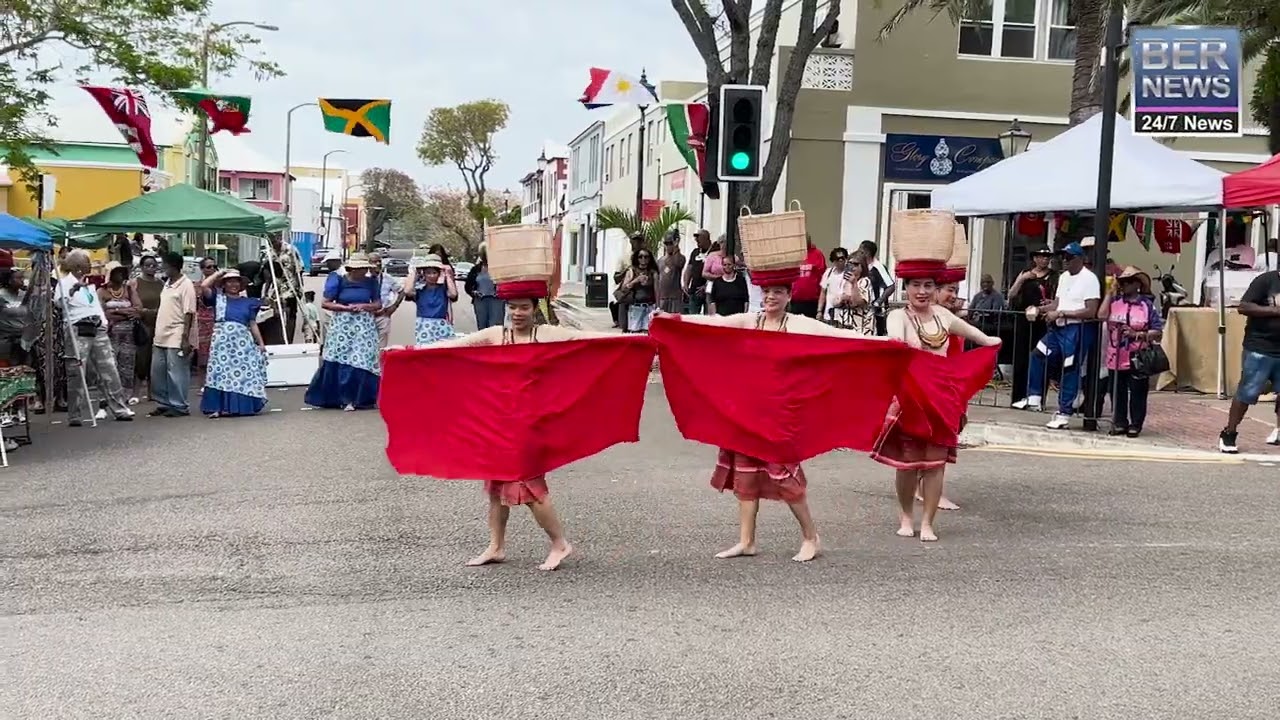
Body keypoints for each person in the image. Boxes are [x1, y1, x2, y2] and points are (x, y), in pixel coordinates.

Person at [654, 273, 888, 562]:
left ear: (789, 295)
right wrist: (673, 320)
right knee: (745, 476)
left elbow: (838, 336)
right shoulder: (750, 321)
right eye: (767, 292)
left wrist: (882, 341)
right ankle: (746, 541)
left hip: (781, 412)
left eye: (778, 292)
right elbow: (713, 323)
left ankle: (811, 537)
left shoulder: (799, 324)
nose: (771, 297)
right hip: (746, 410)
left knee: (785, 475)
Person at [421, 288, 620, 571]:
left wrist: (633, 337)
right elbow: (453, 347)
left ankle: (560, 544)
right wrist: (406, 352)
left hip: (531, 423)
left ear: (534, 308)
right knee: (496, 486)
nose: (517, 313)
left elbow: (587, 339)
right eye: (512, 307)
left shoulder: (546, 334)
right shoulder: (495, 335)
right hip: (499, 420)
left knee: (528, 485)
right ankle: (496, 546)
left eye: (523, 307)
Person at [873, 273, 1000, 543]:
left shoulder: (944, 315)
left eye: (928, 285)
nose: (922, 291)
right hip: (911, 400)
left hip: (940, 400)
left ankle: (928, 522)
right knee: (907, 465)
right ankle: (906, 515)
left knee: (935, 465)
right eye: (916, 285)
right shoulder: (898, 317)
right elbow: (897, 342)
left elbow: (979, 337)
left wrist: (991, 342)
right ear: (906, 288)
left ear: (935, 288)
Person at [1012, 242, 1100, 431]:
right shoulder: (1064, 277)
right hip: (1059, 328)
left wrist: (1061, 314)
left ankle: (1064, 412)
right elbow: (1057, 304)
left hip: (1077, 329)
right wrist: (1039, 308)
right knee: (1038, 354)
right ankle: (1034, 396)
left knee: (1069, 368)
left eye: (1069, 258)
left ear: (1079, 259)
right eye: (1063, 258)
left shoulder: (1089, 279)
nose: (1065, 261)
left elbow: (1091, 311)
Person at [54, 250, 135, 426]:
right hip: (77, 328)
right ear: (77, 266)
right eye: (86, 264)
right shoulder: (64, 283)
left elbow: (95, 305)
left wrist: (103, 322)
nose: (90, 267)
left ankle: (119, 409)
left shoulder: (89, 284)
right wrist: (73, 290)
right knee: (76, 371)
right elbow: (60, 303)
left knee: (109, 368)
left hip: (97, 327)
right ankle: (74, 414)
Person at [305, 254, 382, 411]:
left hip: (363, 323)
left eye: (364, 269)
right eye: (358, 269)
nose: (362, 272)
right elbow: (325, 303)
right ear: (351, 269)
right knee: (341, 357)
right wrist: (345, 308)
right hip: (342, 323)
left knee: (363, 358)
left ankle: (361, 398)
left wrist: (364, 306)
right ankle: (340, 397)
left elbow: (377, 303)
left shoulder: (371, 282)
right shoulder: (338, 279)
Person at [1097, 267, 1163, 438]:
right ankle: (1119, 422)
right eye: (1122, 282)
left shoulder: (1146, 305)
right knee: (1116, 391)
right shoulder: (1114, 302)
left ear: (1137, 284)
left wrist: (1137, 334)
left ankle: (1135, 424)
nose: (1124, 285)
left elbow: (1157, 331)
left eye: (1128, 282)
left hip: (1137, 356)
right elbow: (1101, 316)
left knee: (1138, 392)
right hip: (1115, 355)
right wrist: (1109, 295)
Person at [1219, 269, 1280, 452]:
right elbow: (1243, 307)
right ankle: (1229, 433)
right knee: (1247, 392)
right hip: (1260, 347)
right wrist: (1274, 310)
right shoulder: (1266, 280)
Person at [199, 269, 268, 417]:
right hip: (222, 342)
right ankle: (218, 407)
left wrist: (261, 343)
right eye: (229, 281)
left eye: (236, 281)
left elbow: (252, 323)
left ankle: (239, 406)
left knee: (241, 373)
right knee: (220, 372)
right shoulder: (218, 298)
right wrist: (219, 273)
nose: (233, 284)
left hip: (242, 343)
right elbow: (204, 286)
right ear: (224, 284)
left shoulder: (248, 302)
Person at [149, 252, 196, 418]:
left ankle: (179, 405)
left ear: (174, 266)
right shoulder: (167, 283)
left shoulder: (186, 285)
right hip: (161, 333)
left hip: (177, 332)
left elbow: (189, 312)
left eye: (165, 265)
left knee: (176, 372)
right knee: (158, 371)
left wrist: (185, 338)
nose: (162, 268)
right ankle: (163, 402)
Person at [97, 262, 143, 405]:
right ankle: (108, 396)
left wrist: (116, 312)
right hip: (110, 334)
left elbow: (138, 308)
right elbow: (102, 313)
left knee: (127, 364)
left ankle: (125, 395)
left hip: (129, 334)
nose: (121, 275)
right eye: (117, 272)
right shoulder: (102, 291)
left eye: (122, 272)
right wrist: (123, 312)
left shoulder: (129, 289)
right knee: (111, 365)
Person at [260, 234, 305, 344]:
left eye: (274, 240)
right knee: (276, 314)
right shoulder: (269, 253)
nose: (273, 243)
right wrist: (265, 292)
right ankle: (280, 339)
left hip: (291, 287)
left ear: (279, 238)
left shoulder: (291, 250)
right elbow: (268, 274)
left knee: (290, 315)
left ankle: (289, 340)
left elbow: (299, 270)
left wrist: (300, 289)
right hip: (277, 289)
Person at [131, 254, 164, 400]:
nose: (151, 268)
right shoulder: (135, 283)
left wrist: (152, 313)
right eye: (148, 265)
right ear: (141, 267)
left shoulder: (161, 284)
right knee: (140, 360)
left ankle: (152, 393)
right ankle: (135, 393)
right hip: (141, 325)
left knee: (155, 360)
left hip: (158, 323)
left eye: (154, 265)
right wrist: (141, 312)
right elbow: (133, 304)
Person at [405, 255, 458, 346]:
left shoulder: (443, 289)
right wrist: (415, 273)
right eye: (428, 273)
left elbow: (453, 294)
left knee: (443, 352)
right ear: (424, 274)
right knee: (426, 351)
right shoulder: (420, 290)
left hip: (441, 324)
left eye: (434, 273)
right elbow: (408, 291)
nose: (432, 276)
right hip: (424, 325)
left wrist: (447, 275)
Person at [368, 252, 404, 350]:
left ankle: (380, 365)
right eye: (374, 261)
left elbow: (402, 291)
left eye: (379, 261)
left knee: (382, 347)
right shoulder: (364, 278)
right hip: (366, 316)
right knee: (367, 344)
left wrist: (393, 307)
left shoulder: (388, 278)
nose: (378, 264)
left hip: (382, 316)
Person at [858, 241, 893, 335]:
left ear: (867, 252)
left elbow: (891, 286)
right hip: (864, 311)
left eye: (860, 250)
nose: (858, 253)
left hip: (877, 312)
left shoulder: (878, 267)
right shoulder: (862, 267)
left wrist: (878, 302)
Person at [618, 247, 657, 333]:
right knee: (634, 333)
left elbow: (656, 290)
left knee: (647, 333)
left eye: (646, 257)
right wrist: (636, 280)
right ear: (637, 258)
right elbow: (624, 288)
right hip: (636, 307)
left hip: (650, 307)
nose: (643, 259)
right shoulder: (632, 271)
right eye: (641, 256)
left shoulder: (652, 272)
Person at [464, 246, 504, 330]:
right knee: (482, 327)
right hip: (480, 301)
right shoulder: (476, 269)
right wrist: (474, 292)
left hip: (496, 300)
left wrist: (500, 291)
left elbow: (505, 282)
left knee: (495, 327)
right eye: (484, 255)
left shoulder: (500, 268)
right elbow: (468, 286)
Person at [837, 252, 876, 334]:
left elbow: (857, 302)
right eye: (849, 263)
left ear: (862, 266)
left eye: (855, 264)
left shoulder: (865, 281)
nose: (852, 266)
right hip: (847, 325)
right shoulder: (845, 281)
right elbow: (838, 301)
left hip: (862, 327)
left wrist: (854, 283)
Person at [612, 232, 645, 329]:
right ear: (630, 241)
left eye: (639, 240)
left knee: (639, 327)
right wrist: (626, 271)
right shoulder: (624, 258)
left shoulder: (646, 257)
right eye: (634, 240)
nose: (637, 243)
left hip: (641, 297)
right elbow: (616, 278)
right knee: (625, 326)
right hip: (627, 295)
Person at [789, 235, 826, 318]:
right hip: (796, 300)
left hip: (812, 301)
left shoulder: (817, 254)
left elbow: (823, 276)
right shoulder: (794, 254)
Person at [0, 268, 30, 366]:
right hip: (5, 339)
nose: (22, 280)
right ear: (9, 280)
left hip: (23, 338)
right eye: (18, 278)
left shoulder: (25, 295)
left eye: (23, 278)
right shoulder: (1, 296)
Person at [194, 258, 218, 381]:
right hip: (203, 323)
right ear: (202, 269)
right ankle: (202, 383)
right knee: (203, 357)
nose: (212, 269)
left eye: (214, 266)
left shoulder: (221, 285)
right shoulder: (199, 286)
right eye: (209, 267)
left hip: (218, 322)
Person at [683, 229, 712, 314]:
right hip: (695, 289)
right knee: (693, 314)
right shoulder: (695, 252)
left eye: (699, 239)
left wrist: (706, 286)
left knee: (708, 316)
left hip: (708, 290)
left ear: (706, 238)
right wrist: (685, 283)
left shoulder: (714, 251)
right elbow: (689, 268)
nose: (697, 241)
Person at [657, 232, 686, 314]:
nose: (668, 246)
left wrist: (676, 247)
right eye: (666, 243)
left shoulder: (680, 258)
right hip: (662, 297)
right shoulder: (660, 260)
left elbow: (678, 263)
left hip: (675, 297)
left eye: (670, 243)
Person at [817, 247, 848, 322]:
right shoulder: (828, 273)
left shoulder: (849, 273)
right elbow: (823, 292)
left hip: (844, 314)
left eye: (842, 258)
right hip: (829, 313)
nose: (840, 260)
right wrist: (819, 311)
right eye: (837, 258)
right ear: (833, 260)